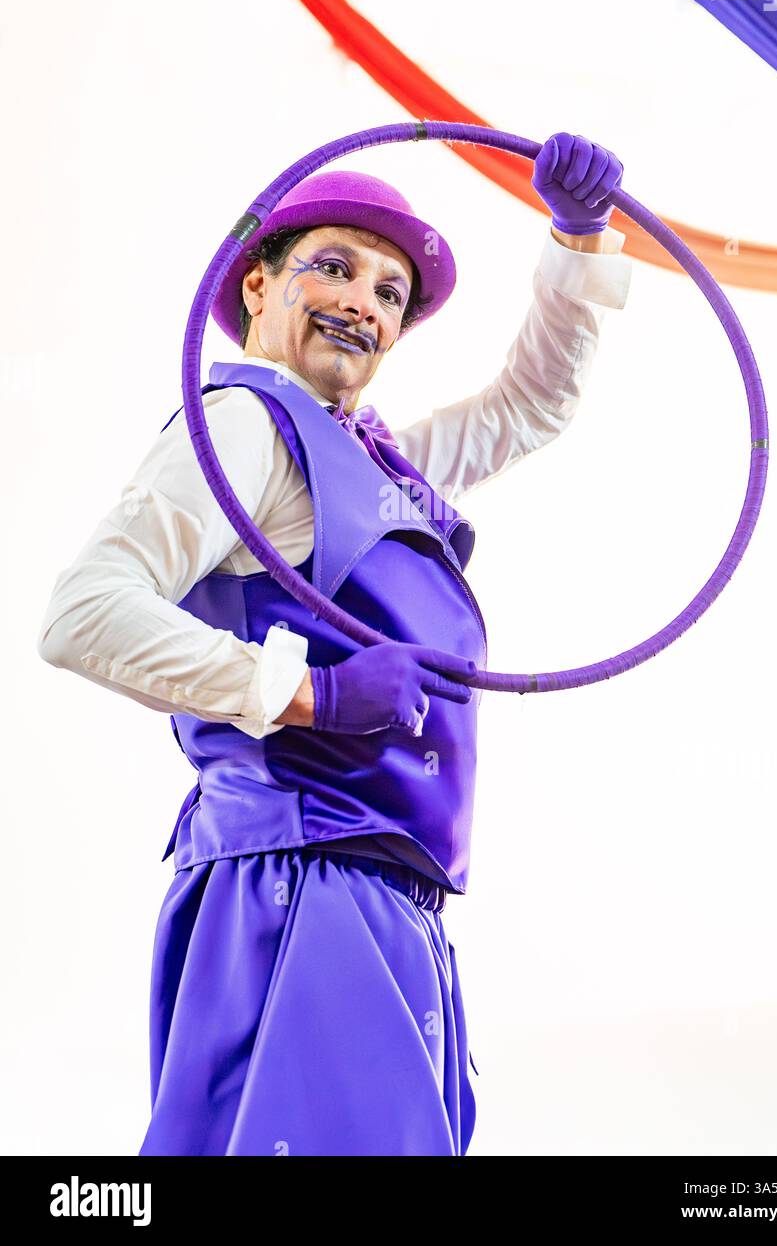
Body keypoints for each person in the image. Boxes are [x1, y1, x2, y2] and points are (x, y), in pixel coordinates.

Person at [37, 132, 631, 1156]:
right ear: (257, 286)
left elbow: (528, 407)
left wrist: (577, 243)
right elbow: (84, 612)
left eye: (390, 292)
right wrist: (309, 693)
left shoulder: (379, 462)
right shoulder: (246, 426)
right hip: (300, 878)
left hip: (386, 896)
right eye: (334, 267)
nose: (364, 302)